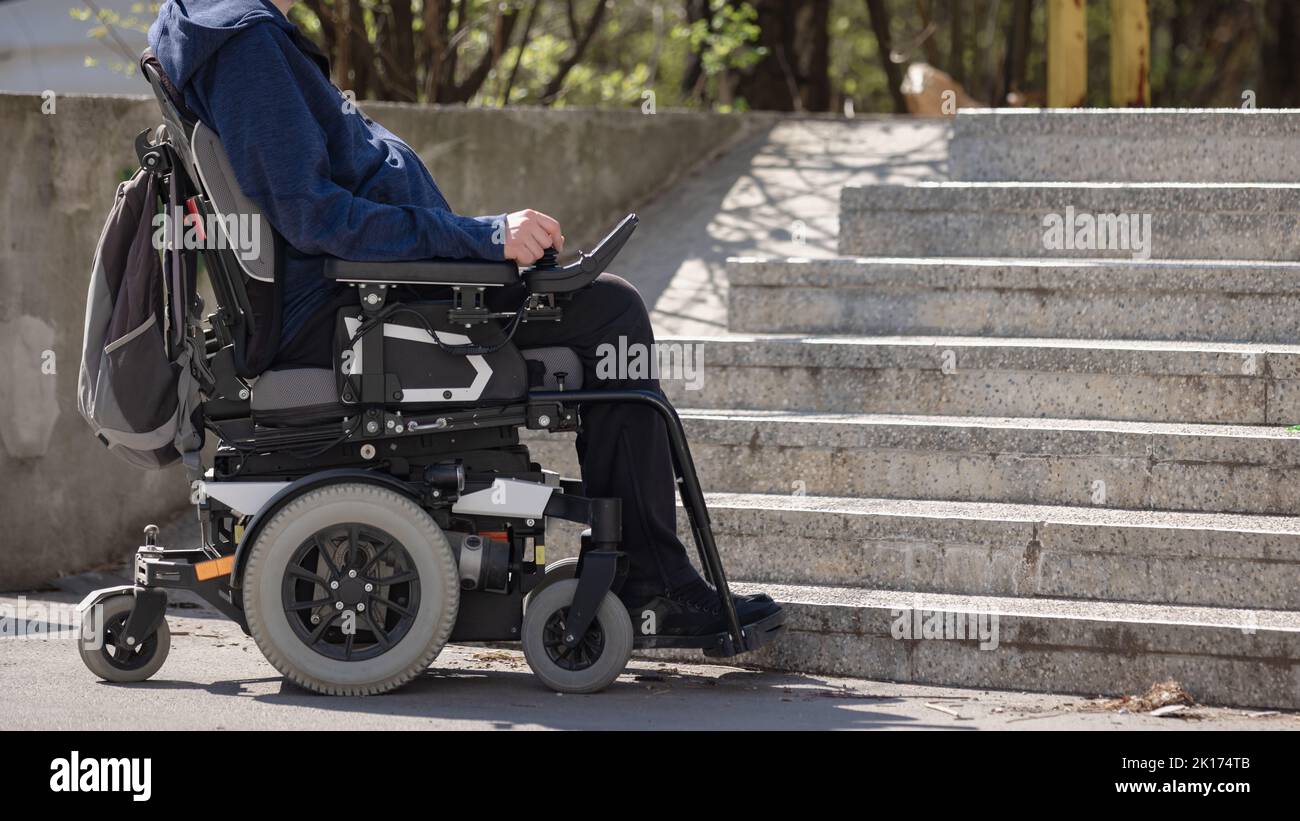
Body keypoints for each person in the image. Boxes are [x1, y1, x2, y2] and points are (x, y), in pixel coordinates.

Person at [148, 0, 779, 637]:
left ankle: (651, 574)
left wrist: (473, 245)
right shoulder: (246, 46)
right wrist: (478, 239)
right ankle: (654, 583)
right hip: (355, 316)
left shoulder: (217, 29)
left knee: (595, 302)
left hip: (367, 299)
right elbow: (315, 219)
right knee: (607, 313)